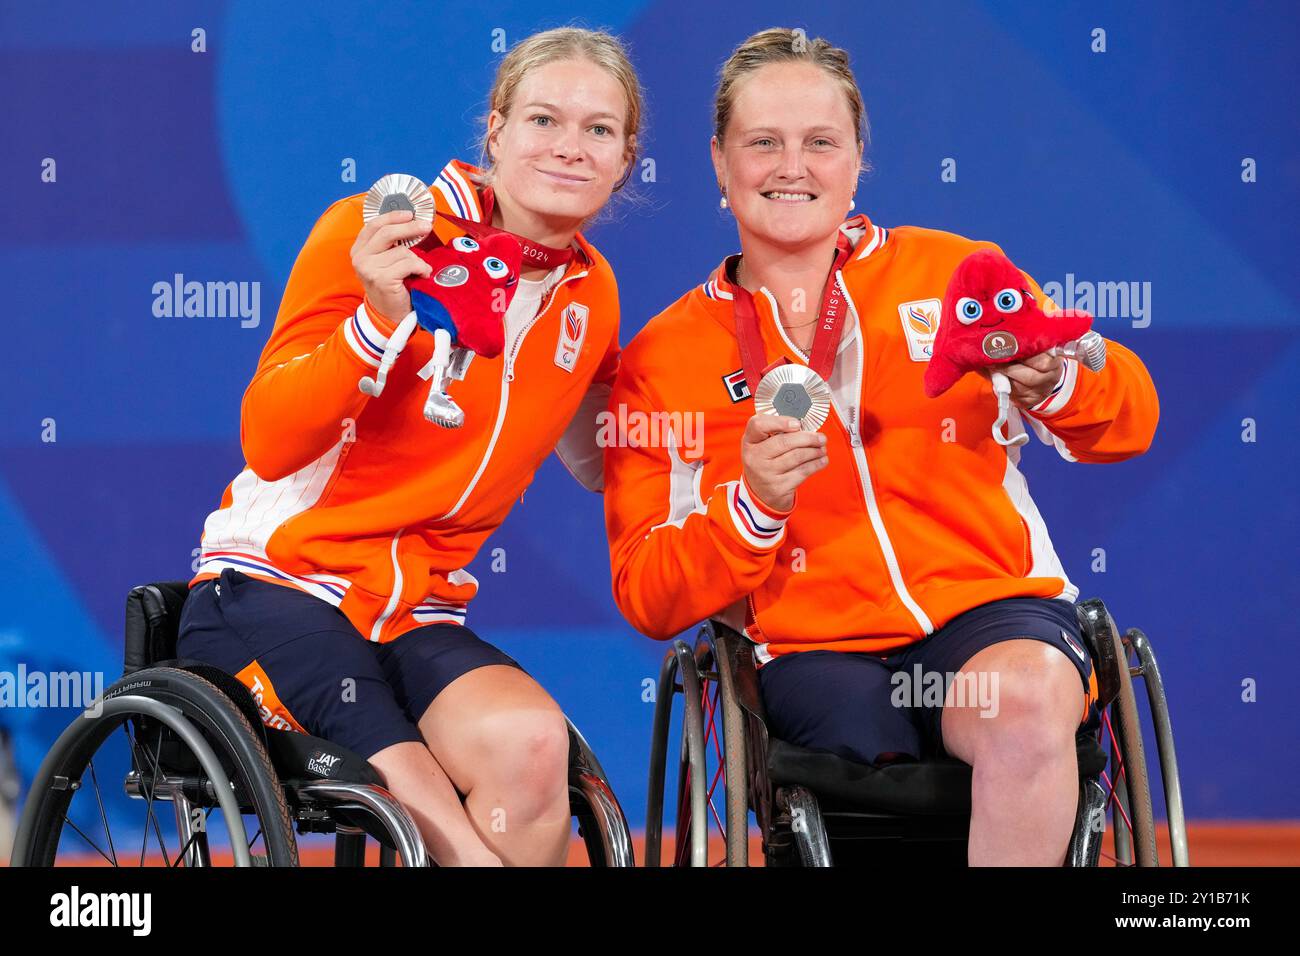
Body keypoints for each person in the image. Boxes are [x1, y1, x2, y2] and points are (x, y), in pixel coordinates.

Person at [603, 28, 1158, 865]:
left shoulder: (958, 275)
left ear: (859, 156)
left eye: (821, 142)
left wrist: (1053, 379)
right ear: (719, 162)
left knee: (1030, 700)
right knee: (865, 774)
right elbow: (648, 593)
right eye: (763, 143)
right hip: (817, 651)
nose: (793, 166)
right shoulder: (664, 359)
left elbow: (1131, 421)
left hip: (989, 612)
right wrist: (751, 506)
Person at [178, 27, 642, 866]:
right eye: (544, 120)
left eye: (598, 130)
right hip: (279, 588)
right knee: (445, 838)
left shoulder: (591, 293)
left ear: (625, 159)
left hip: (415, 613)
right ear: (494, 130)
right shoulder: (377, 236)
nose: (570, 147)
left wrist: (720, 459)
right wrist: (375, 323)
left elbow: (598, 453)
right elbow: (270, 439)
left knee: (533, 747)